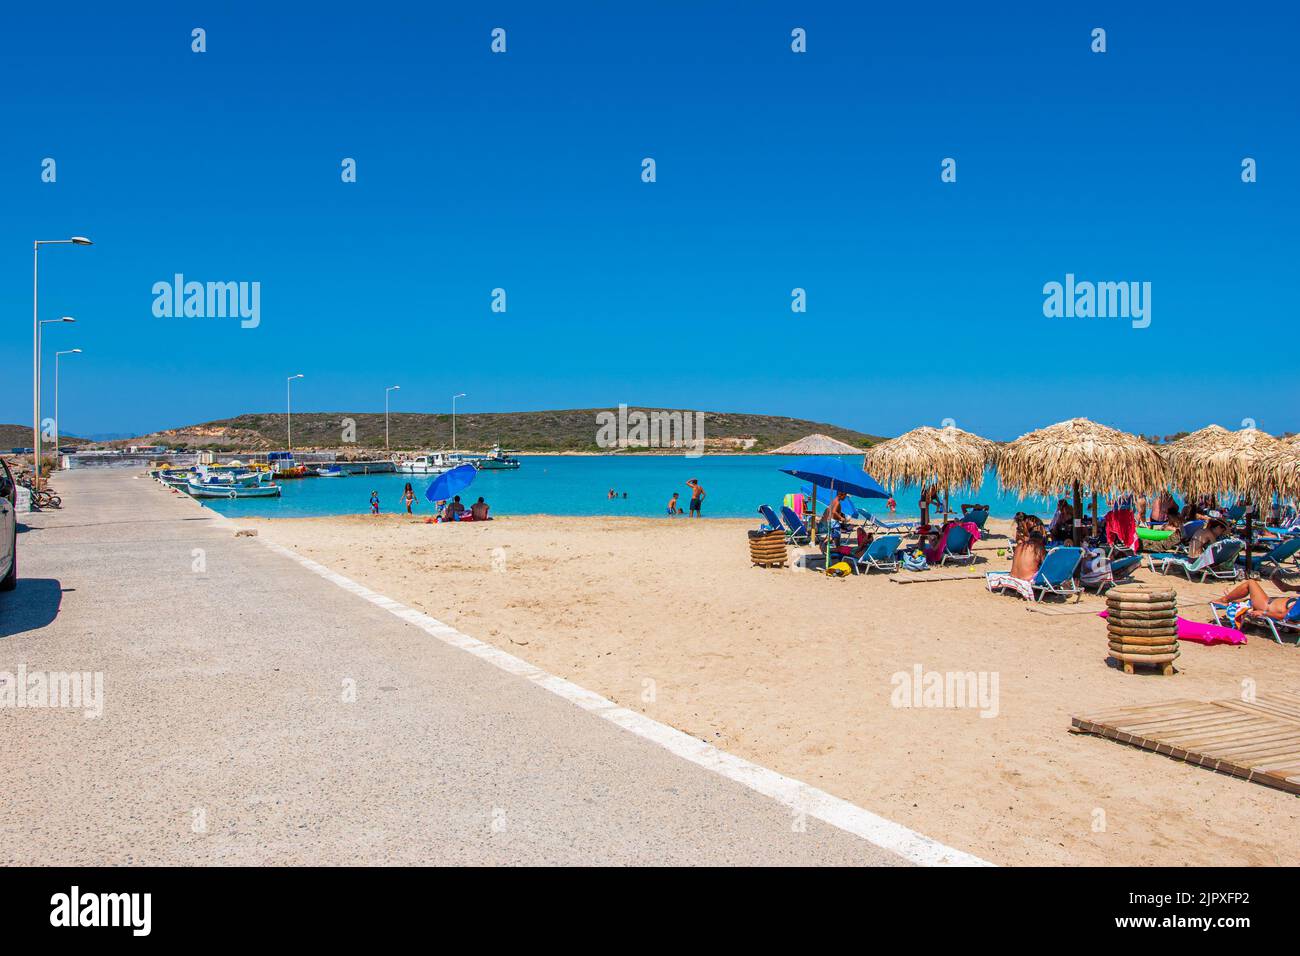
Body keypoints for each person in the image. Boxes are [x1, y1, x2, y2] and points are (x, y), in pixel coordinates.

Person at [1218, 571, 1300, 630]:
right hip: (1271, 604)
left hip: (1267, 607)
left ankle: (1224, 600)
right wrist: (1274, 578)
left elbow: (1284, 616)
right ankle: (1233, 597)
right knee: (1252, 598)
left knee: (1251, 583)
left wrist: (1263, 613)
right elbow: (1284, 588)